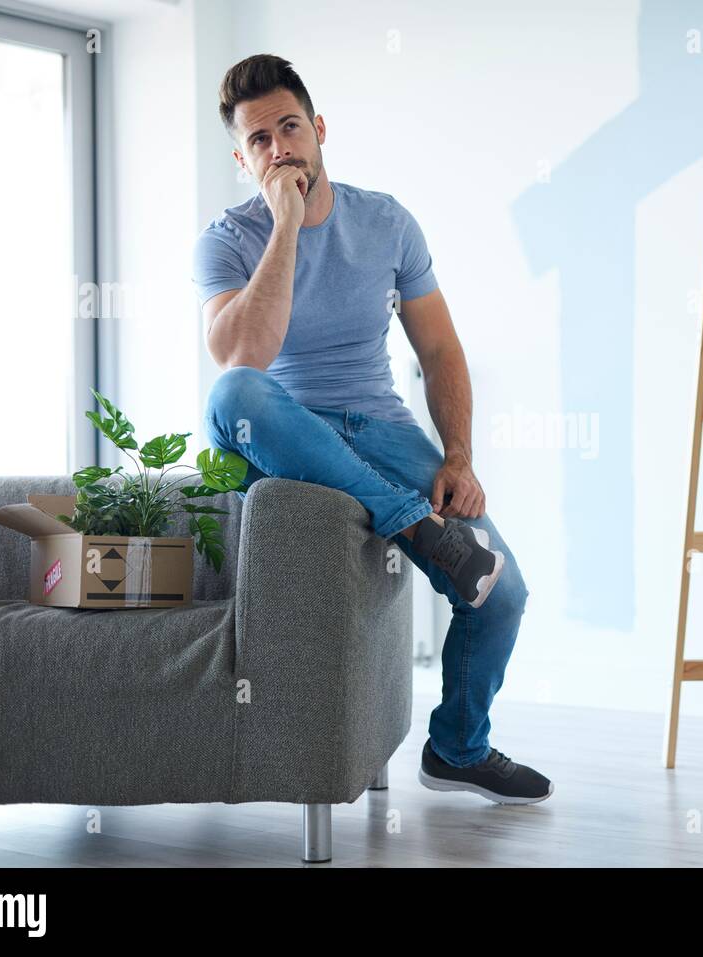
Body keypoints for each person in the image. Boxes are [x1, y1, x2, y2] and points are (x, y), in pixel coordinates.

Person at [193, 54, 551, 805]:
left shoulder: (386, 221)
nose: (280, 148)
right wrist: (285, 226)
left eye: (290, 127)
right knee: (232, 391)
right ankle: (416, 527)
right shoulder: (228, 239)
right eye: (260, 140)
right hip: (288, 433)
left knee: (504, 591)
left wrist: (458, 455)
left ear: (319, 129)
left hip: (380, 427)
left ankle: (458, 747)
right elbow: (241, 359)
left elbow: (440, 348)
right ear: (242, 158)